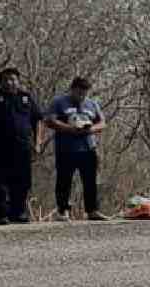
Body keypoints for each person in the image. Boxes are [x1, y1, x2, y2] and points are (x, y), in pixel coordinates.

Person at [0, 66, 44, 224]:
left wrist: (37, 143)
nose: (9, 83)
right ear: (0, 82)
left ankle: (19, 213)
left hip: (22, 147)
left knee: (22, 181)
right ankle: (0, 215)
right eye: (5, 80)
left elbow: (38, 121)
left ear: (18, 81)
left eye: (13, 79)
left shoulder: (26, 98)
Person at [46, 77, 107, 221]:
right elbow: (50, 120)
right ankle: (63, 211)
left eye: (84, 93)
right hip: (66, 148)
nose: (82, 96)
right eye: (79, 92)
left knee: (90, 180)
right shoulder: (59, 102)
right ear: (72, 89)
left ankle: (92, 210)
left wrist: (91, 129)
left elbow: (103, 122)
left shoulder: (92, 104)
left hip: (88, 148)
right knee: (64, 180)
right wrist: (70, 129)